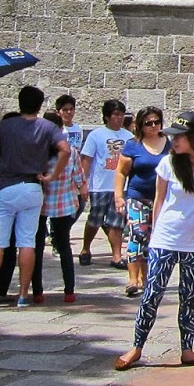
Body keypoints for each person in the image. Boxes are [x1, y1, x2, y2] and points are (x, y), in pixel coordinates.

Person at [114, 111, 194, 371]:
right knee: (152, 293)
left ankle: (187, 348)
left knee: (189, 296)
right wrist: (154, 235)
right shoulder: (168, 163)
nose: (173, 141)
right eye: (172, 136)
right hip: (165, 238)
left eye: (179, 137)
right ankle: (137, 347)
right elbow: (159, 200)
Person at [0, 85, 70, 309]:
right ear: (40, 105)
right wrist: (52, 175)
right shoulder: (48, 126)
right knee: (27, 242)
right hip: (31, 186)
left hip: (5, 186)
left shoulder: (6, 126)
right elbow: (65, 150)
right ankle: (23, 294)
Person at [114, 106, 167, 296]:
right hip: (138, 196)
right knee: (137, 234)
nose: (153, 126)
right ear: (140, 125)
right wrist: (118, 196)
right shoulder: (133, 145)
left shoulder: (170, 144)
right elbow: (121, 172)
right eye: (148, 123)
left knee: (154, 238)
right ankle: (132, 278)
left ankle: (147, 277)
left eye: (156, 122)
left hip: (162, 199)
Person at [32, 111, 82, 304]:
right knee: (64, 246)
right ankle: (69, 290)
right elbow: (78, 178)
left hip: (40, 203)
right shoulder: (71, 152)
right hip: (64, 202)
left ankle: (37, 291)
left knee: (37, 248)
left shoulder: (38, 151)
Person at [78, 99, 129, 268]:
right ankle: (86, 249)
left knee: (116, 223)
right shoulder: (96, 135)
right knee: (95, 220)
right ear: (107, 116)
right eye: (115, 114)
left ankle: (116, 256)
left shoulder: (129, 137)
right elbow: (87, 160)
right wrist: (83, 183)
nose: (119, 118)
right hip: (100, 185)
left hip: (120, 187)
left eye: (121, 114)